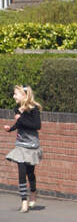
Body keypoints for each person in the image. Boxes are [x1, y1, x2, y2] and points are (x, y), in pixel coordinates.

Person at [4, 84, 43, 212]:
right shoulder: (16, 109)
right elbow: (19, 123)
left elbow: (36, 125)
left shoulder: (34, 109)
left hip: (31, 146)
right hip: (20, 145)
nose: (13, 96)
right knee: (21, 172)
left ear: (24, 95)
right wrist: (11, 129)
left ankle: (33, 192)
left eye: (16, 94)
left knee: (30, 173)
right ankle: (24, 201)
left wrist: (21, 118)